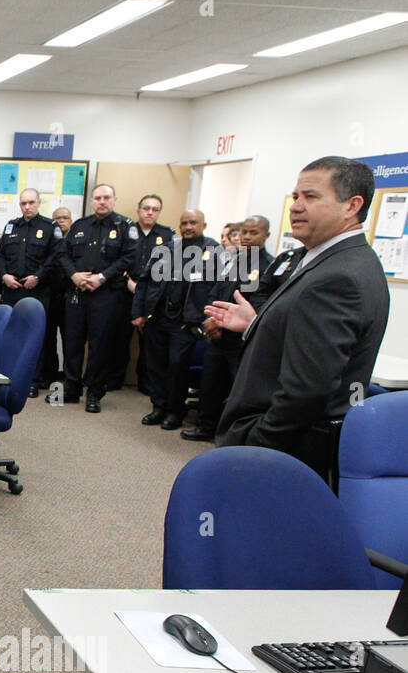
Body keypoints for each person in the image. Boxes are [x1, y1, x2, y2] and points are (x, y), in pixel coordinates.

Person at [206, 156, 389, 481]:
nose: (296, 206)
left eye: (311, 196)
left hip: (285, 453)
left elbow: (306, 391)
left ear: (352, 206)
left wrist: (258, 446)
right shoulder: (334, 260)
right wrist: (256, 323)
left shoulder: (339, 276)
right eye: (296, 197)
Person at [182, 214, 274, 442]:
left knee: (236, 390)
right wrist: (211, 317)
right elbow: (216, 290)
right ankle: (206, 427)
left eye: (254, 232)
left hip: (240, 339)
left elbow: (259, 304)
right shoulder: (233, 260)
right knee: (210, 383)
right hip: (218, 335)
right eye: (245, 232)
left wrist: (225, 322)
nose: (248, 237)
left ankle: (231, 434)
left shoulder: (269, 266)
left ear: (266, 235)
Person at [132, 209, 220, 430]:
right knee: (155, 365)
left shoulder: (214, 251)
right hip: (158, 317)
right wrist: (139, 312)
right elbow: (145, 281)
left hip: (187, 321)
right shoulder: (167, 248)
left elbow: (218, 288)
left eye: (193, 222)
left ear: (203, 225)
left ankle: (174, 411)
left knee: (177, 367)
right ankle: (158, 407)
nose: (188, 226)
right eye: (184, 223)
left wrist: (208, 317)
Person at [56, 183, 138, 412]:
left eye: (106, 197)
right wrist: (73, 275)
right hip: (77, 292)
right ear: (92, 201)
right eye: (98, 198)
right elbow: (62, 254)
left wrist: (102, 277)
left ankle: (94, 392)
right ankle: (71, 389)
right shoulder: (80, 225)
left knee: (99, 345)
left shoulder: (125, 226)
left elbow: (129, 257)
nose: (102, 201)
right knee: (72, 342)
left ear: (114, 200)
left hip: (106, 295)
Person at [0, 188, 60, 393]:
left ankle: (32, 380)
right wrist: (4, 275)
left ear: (39, 203)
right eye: (24, 203)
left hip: (37, 291)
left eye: (31, 202)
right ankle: (7, 375)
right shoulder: (11, 226)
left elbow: (56, 256)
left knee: (35, 336)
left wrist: (38, 276)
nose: (27, 207)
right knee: (10, 333)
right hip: (12, 289)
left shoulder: (50, 227)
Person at [113, 194, 171, 394]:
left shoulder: (167, 235)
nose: (150, 212)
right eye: (146, 208)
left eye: (155, 209)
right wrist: (129, 282)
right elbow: (117, 260)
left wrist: (145, 290)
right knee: (119, 339)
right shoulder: (126, 231)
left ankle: (146, 383)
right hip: (124, 289)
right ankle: (115, 379)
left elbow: (167, 269)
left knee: (150, 343)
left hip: (152, 296)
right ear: (139, 210)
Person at [38, 207, 73, 390]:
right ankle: (49, 375)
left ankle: (69, 377)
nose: (61, 221)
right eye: (57, 218)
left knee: (70, 339)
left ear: (71, 221)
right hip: (49, 296)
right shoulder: (48, 241)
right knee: (48, 339)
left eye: (65, 218)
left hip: (69, 297)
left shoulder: (75, 241)